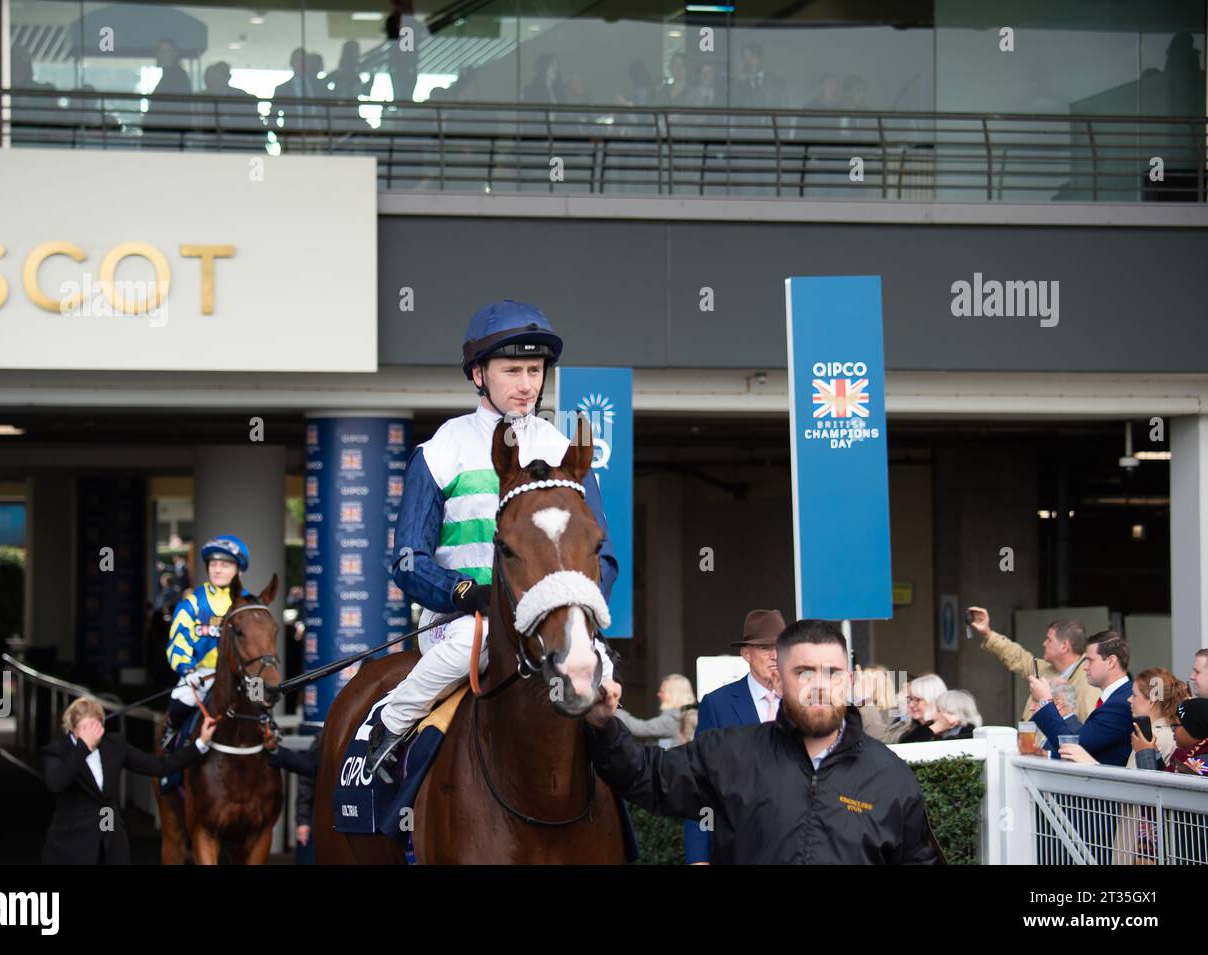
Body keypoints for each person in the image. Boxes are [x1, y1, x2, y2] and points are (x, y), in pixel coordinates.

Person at [363, 300, 618, 782]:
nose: (527, 384)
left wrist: (577, 610)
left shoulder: (565, 451)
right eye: (512, 371)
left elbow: (602, 554)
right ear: (479, 375)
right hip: (465, 618)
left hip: (552, 619)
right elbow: (407, 559)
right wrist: (463, 592)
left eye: (534, 371)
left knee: (602, 687)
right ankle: (390, 724)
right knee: (474, 646)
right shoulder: (443, 449)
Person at [584, 619, 941, 864]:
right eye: (804, 673)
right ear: (779, 681)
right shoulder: (731, 754)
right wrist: (603, 723)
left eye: (832, 673)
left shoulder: (890, 776)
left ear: (847, 682)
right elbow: (645, 774)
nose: (819, 686)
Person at [42, 697, 215, 864]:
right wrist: (83, 747)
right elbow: (56, 783)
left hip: (109, 838)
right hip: (72, 844)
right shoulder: (57, 752)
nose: (92, 734)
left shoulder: (114, 745)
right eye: (85, 728)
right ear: (72, 728)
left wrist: (200, 744)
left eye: (95, 727)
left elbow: (160, 766)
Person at [684, 608, 785, 864]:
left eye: (780, 647)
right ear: (746, 654)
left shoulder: (804, 703)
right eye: (765, 648)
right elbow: (700, 783)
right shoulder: (718, 705)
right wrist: (698, 857)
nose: (775, 655)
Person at [161, 536, 255, 752]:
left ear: (239, 570)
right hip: (201, 675)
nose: (217, 570)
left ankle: (271, 738)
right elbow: (179, 640)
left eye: (225, 565)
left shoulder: (250, 604)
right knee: (181, 701)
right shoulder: (192, 603)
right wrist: (187, 669)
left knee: (261, 701)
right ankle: (171, 736)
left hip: (245, 675)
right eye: (213, 564)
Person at [967, 607, 1098, 721]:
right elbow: (1017, 657)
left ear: (1064, 646)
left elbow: (1091, 729)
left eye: (1049, 640)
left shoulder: (1089, 682)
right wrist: (988, 633)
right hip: (1030, 741)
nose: (1044, 643)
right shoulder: (1044, 669)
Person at [1035, 631, 1133, 767]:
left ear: (1111, 662)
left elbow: (1074, 746)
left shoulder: (1120, 703)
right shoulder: (1120, 697)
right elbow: (1089, 747)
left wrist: (1045, 701)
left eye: (1090, 660)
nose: (1085, 667)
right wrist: (1048, 755)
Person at [615, 674, 695, 748]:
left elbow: (640, 728)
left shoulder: (672, 720)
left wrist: (614, 709)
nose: (658, 694)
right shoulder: (684, 716)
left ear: (674, 695)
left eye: (662, 692)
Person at [901, 689, 982, 742]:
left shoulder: (970, 736)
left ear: (953, 714)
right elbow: (904, 746)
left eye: (939, 711)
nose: (934, 716)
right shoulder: (933, 729)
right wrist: (935, 728)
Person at [1034, 678, 1083, 758]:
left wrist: (1046, 755)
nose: (1031, 707)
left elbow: (1069, 761)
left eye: (1037, 701)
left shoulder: (1075, 732)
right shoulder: (1046, 725)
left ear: (1057, 703)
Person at [855, 663, 904, 742]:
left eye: (868, 681)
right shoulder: (859, 710)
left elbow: (881, 740)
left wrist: (865, 700)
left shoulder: (899, 713)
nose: (861, 685)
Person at [896, 673, 948, 743]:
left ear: (932, 699)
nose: (911, 705)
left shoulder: (954, 730)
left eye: (917, 699)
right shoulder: (908, 727)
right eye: (910, 699)